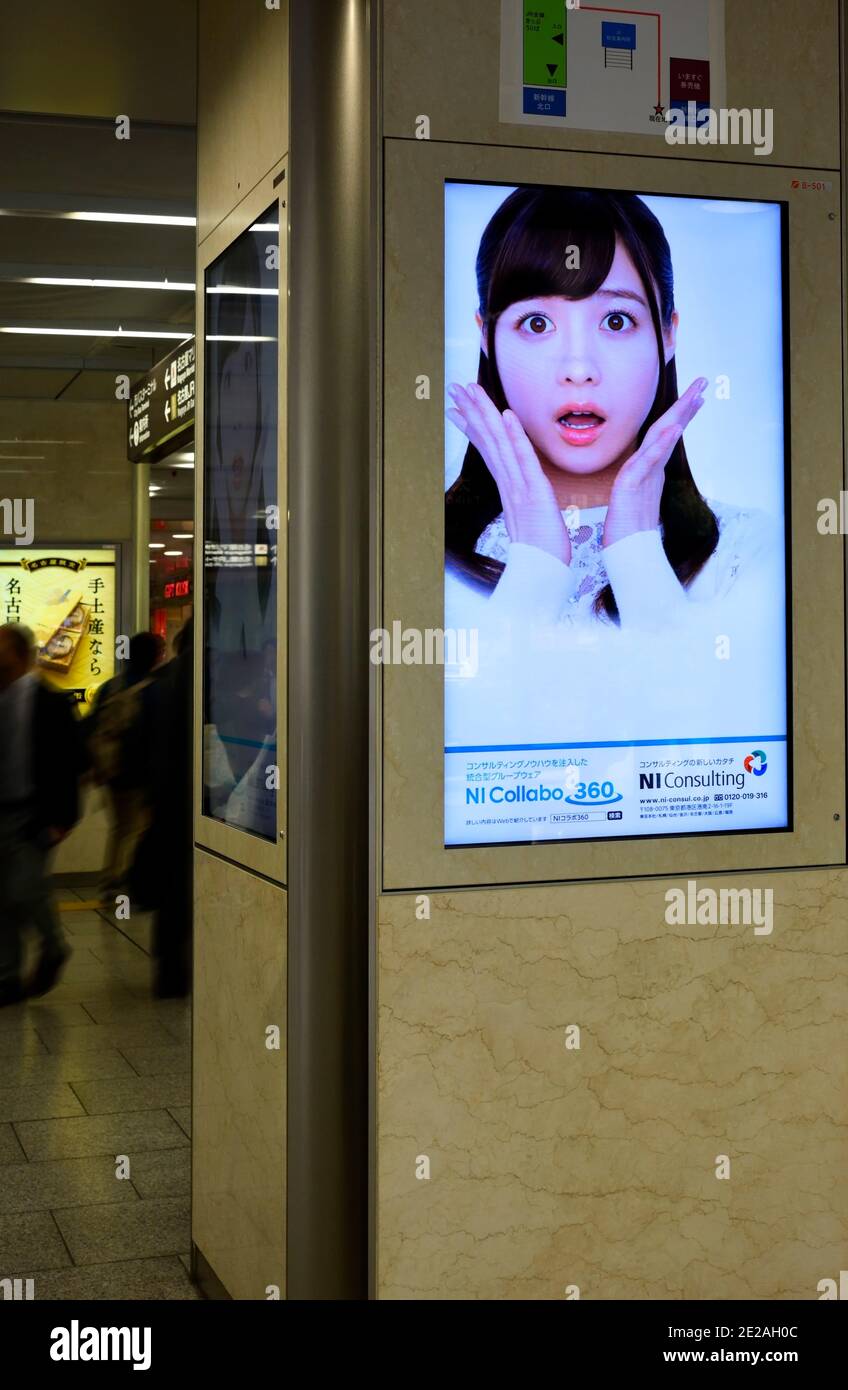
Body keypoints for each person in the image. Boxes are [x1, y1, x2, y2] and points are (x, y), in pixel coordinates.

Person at [445, 186, 781, 634]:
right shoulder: (414, 551)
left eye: (616, 321)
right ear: (486, 337)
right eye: (537, 323)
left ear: (668, 334)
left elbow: (705, 702)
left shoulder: (752, 551)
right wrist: (537, 561)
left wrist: (637, 550)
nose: (579, 369)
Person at [0, 623, 81, 1005]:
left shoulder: (50, 703)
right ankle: (8, 976)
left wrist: (62, 820)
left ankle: (53, 945)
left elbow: (71, 764)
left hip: (34, 815)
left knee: (22, 888)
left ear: (19, 654)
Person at [87, 630, 163, 902]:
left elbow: (93, 725)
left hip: (112, 770)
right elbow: (157, 735)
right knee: (138, 829)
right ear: (153, 657)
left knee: (121, 828)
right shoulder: (154, 690)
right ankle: (125, 881)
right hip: (141, 774)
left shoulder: (111, 686)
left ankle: (110, 881)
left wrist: (97, 767)